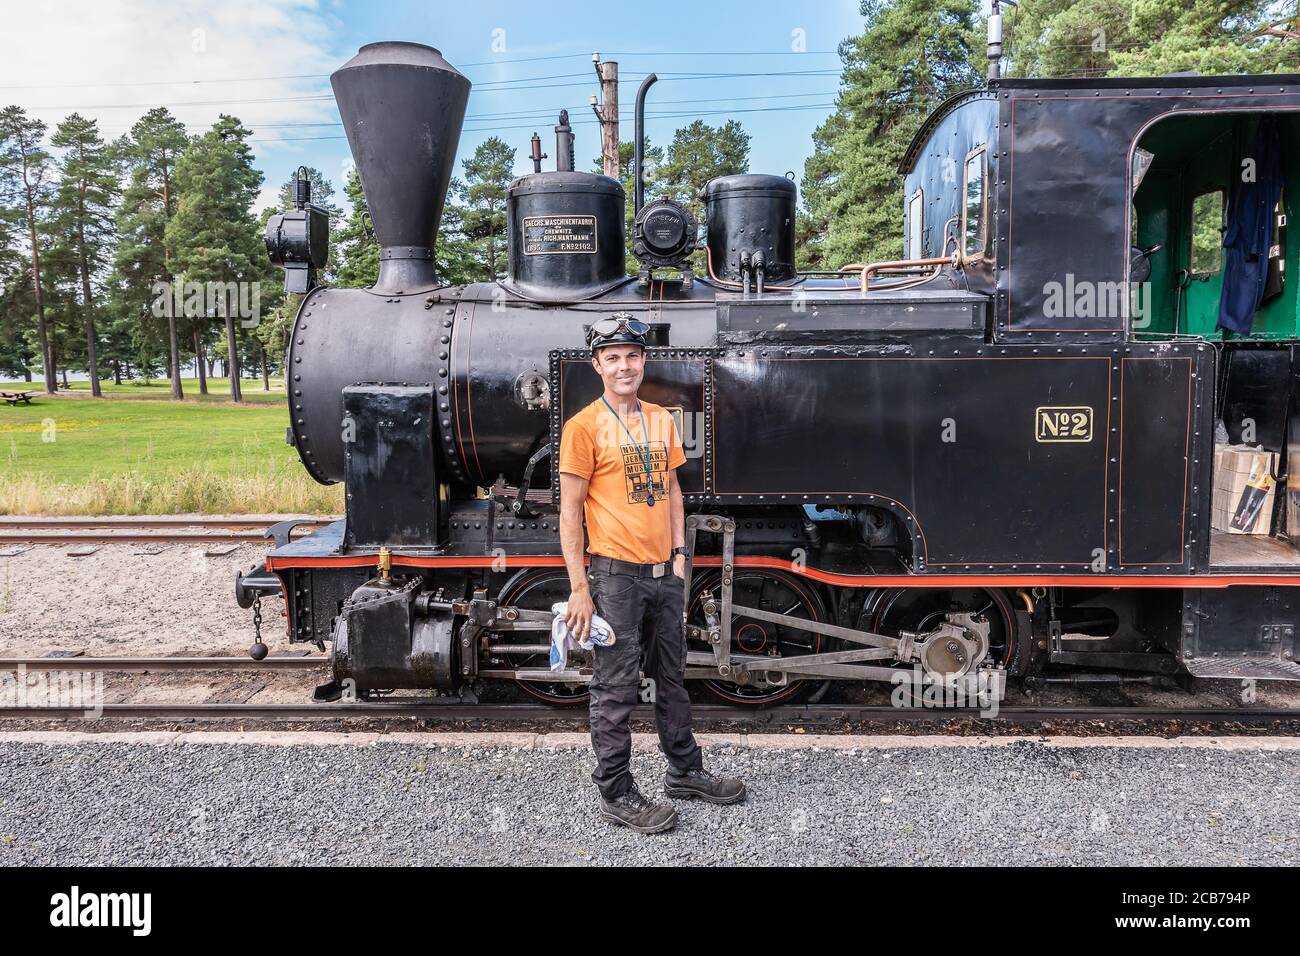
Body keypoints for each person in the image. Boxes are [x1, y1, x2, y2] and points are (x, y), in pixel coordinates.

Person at [558, 312, 746, 834]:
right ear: (597, 365)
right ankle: (616, 792)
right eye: (613, 358)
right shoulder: (582, 428)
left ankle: (685, 771)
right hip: (615, 576)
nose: (624, 366)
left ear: (644, 361)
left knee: (672, 678)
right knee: (615, 686)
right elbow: (569, 513)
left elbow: (674, 493)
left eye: (632, 357)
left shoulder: (662, 419)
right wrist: (580, 587)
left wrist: (682, 557)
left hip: (666, 574)